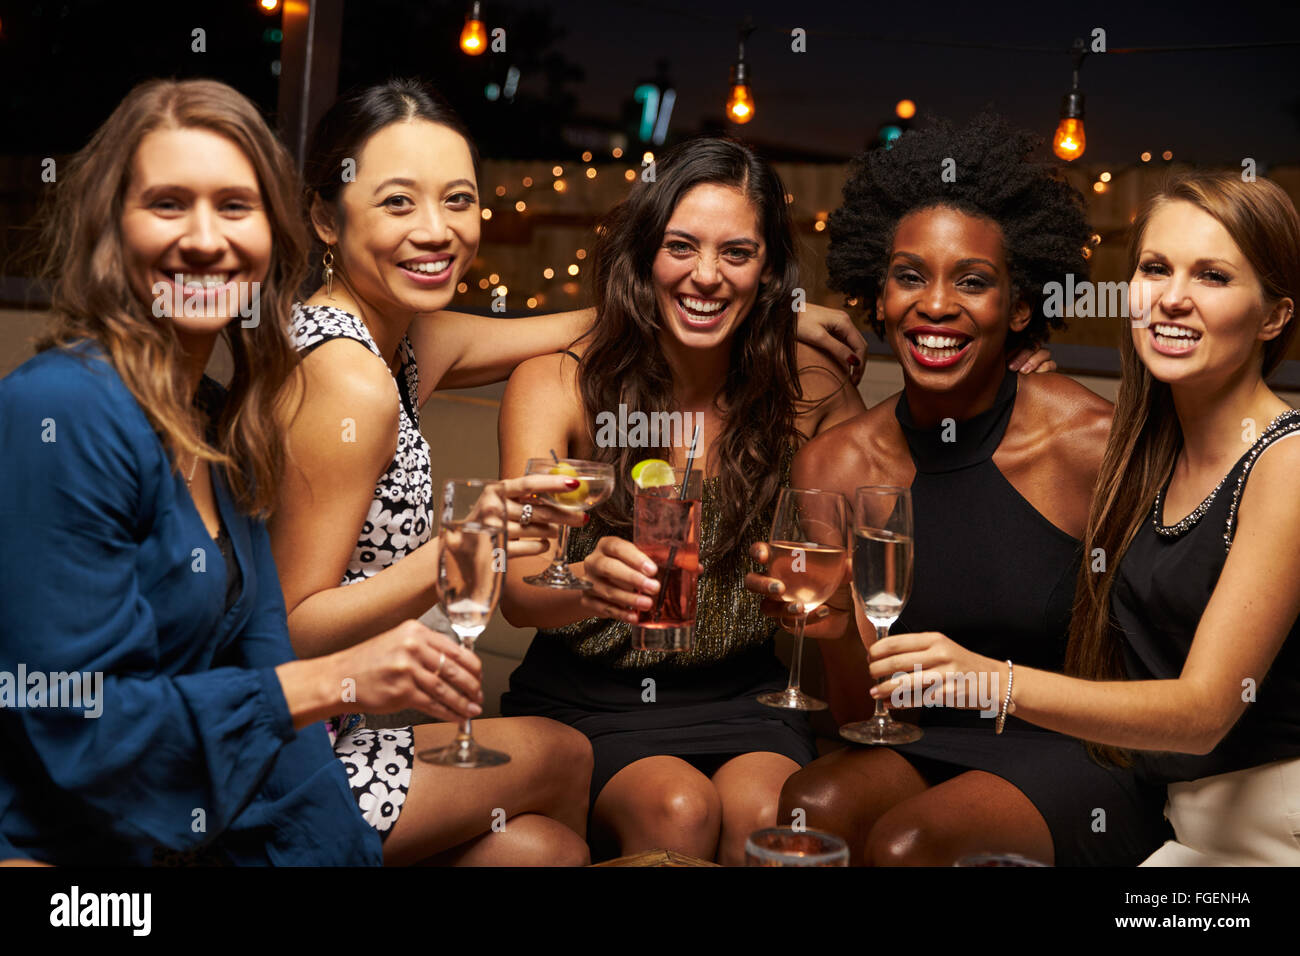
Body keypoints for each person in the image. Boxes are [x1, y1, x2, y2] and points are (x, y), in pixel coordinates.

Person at [270, 79, 878, 865]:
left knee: (549, 851)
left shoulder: (414, 343)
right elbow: (287, 625)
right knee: (639, 796)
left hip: (367, 716)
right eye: (396, 202)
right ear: (325, 215)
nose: (434, 228)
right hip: (308, 728)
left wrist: (756, 307)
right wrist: (475, 549)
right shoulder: (348, 374)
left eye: (456, 200)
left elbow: (621, 310)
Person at [496, 133, 1056, 865]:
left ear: (767, 273)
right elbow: (518, 589)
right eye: (680, 247)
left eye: (736, 253)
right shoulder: (557, 386)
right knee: (678, 810)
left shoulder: (809, 388)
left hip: (746, 696)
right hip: (596, 696)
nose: (706, 276)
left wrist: (1006, 390)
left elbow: (892, 467)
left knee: (775, 818)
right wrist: (584, 584)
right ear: (644, 255)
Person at [0, 79, 480, 865]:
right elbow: (71, 717)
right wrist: (335, 683)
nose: (204, 238)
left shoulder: (224, 421)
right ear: (109, 232)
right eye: (166, 204)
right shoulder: (61, 411)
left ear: (271, 234)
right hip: (68, 851)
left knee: (531, 848)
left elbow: (268, 676)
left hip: (200, 827)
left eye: (234, 206)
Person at [756, 114, 1173, 866]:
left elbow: (1157, 669)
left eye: (972, 282)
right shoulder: (833, 466)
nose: (936, 305)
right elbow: (859, 716)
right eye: (909, 276)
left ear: (1020, 308)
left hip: (1074, 743)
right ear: (877, 296)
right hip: (916, 736)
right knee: (809, 806)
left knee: (907, 844)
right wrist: (834, 634)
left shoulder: (1091, 445)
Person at [867, 169, 1300, 866]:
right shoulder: (1148, 444)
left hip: (1268, 830)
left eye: (1213, 277)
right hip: (1173, 818)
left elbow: (1203, 713)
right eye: (1156, 268)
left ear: (1275, 316)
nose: (1173, 299)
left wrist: (988, 679)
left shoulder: (1287, 462)